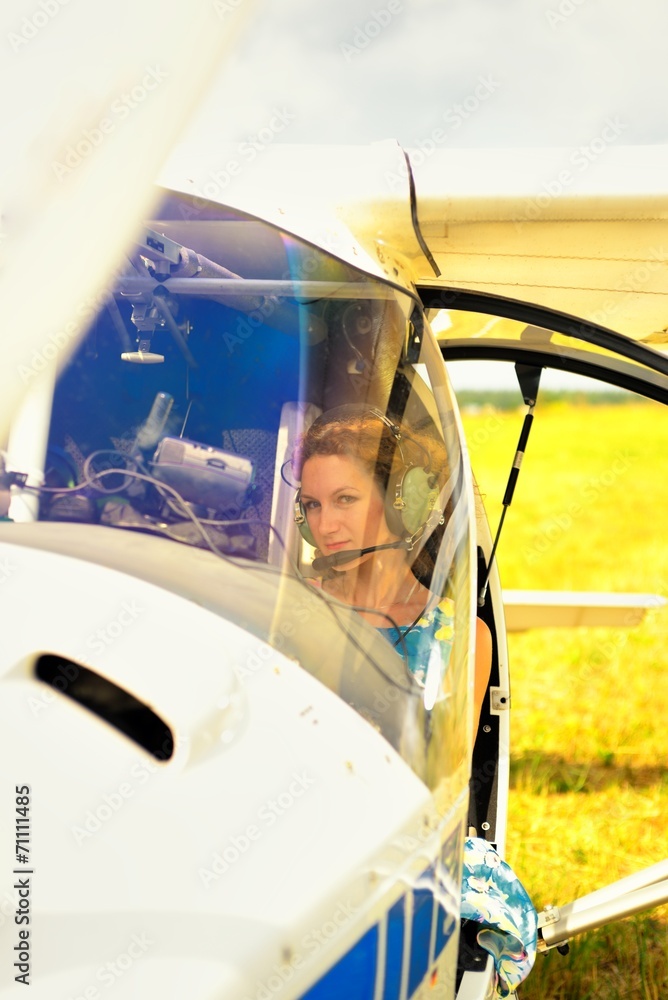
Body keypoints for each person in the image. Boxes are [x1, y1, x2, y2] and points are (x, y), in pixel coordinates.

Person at [294, 408, 492, 733]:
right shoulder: (290, 609)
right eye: (313, 504)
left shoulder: (461, 636)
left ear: (402, 505)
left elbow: (450, 763)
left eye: (345, 499)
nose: (325, 526)